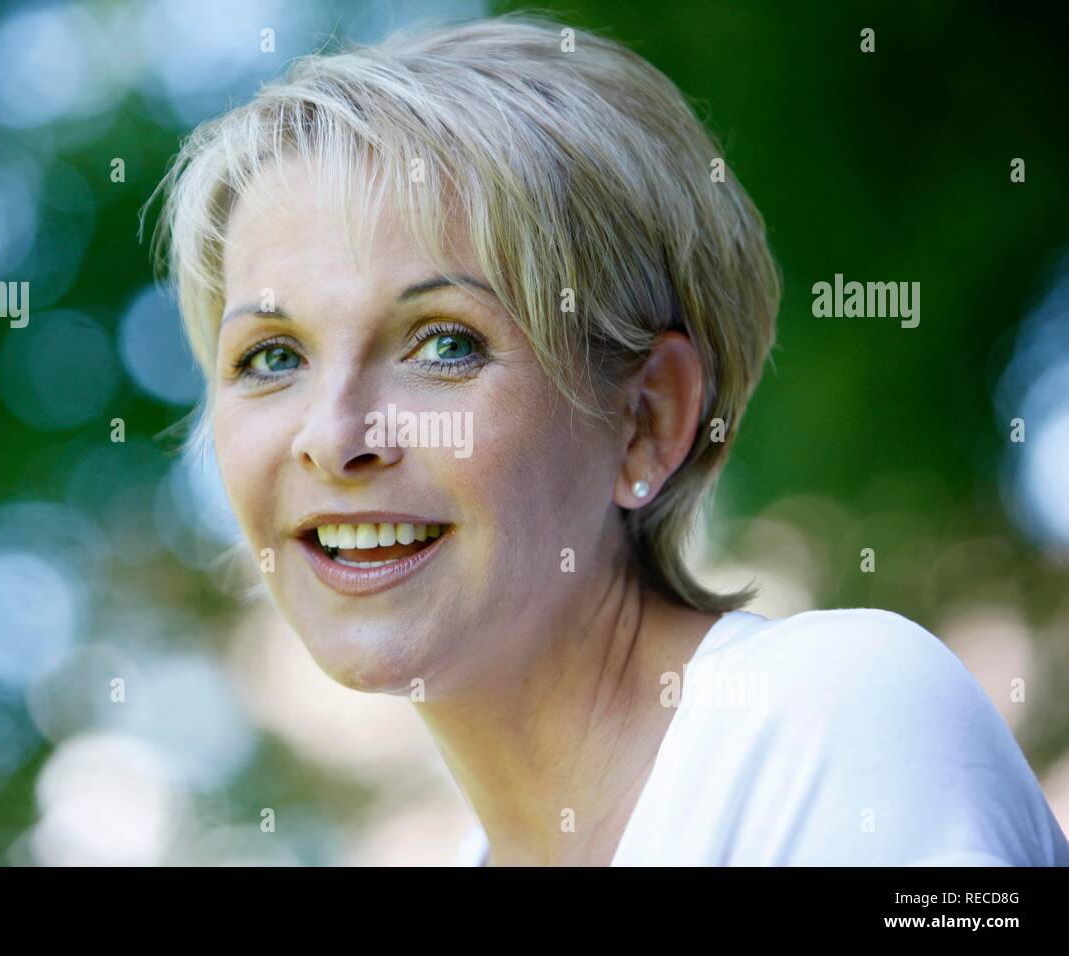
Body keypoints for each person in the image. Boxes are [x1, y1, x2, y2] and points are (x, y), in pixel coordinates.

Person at [148, 13, 1069, 866]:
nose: (334, 437)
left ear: (649, 419)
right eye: (272, 357)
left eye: (445, 344)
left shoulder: (839, 718)